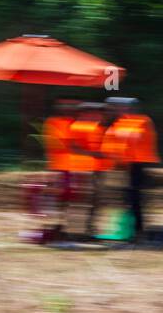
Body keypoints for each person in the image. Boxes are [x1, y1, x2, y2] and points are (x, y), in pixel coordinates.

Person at [101, 97, 160, 242]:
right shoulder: (120, 123)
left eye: (118, 107)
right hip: (125, 166)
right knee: (129, 199)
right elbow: (110, 143)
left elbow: (133, 140)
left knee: (135, 199)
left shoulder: (140, 121)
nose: (116, 110)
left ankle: (138, 231)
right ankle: (133, 230)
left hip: (137, 165)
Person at [67, 102, 111, 236]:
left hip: (98, 169)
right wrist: (94, 154)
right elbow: (73, 148)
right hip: (82, 169)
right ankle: (76, 231)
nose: (101, 116)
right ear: (85, 113)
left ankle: (89, 229)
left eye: (101, 113)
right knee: (82, 201)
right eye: (97, 113)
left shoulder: (99, 127)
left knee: (95, 201)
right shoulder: (78, 127)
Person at [41, 99, 81, 233]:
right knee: (57, 195)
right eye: (65, 105)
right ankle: (54, 224)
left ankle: (62, 224)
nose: (68, 108)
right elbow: (60, 143)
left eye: (71, 105)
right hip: (59, 166)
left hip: (76, 166)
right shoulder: (53, 122)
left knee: (69, 197)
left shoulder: (76, 122)